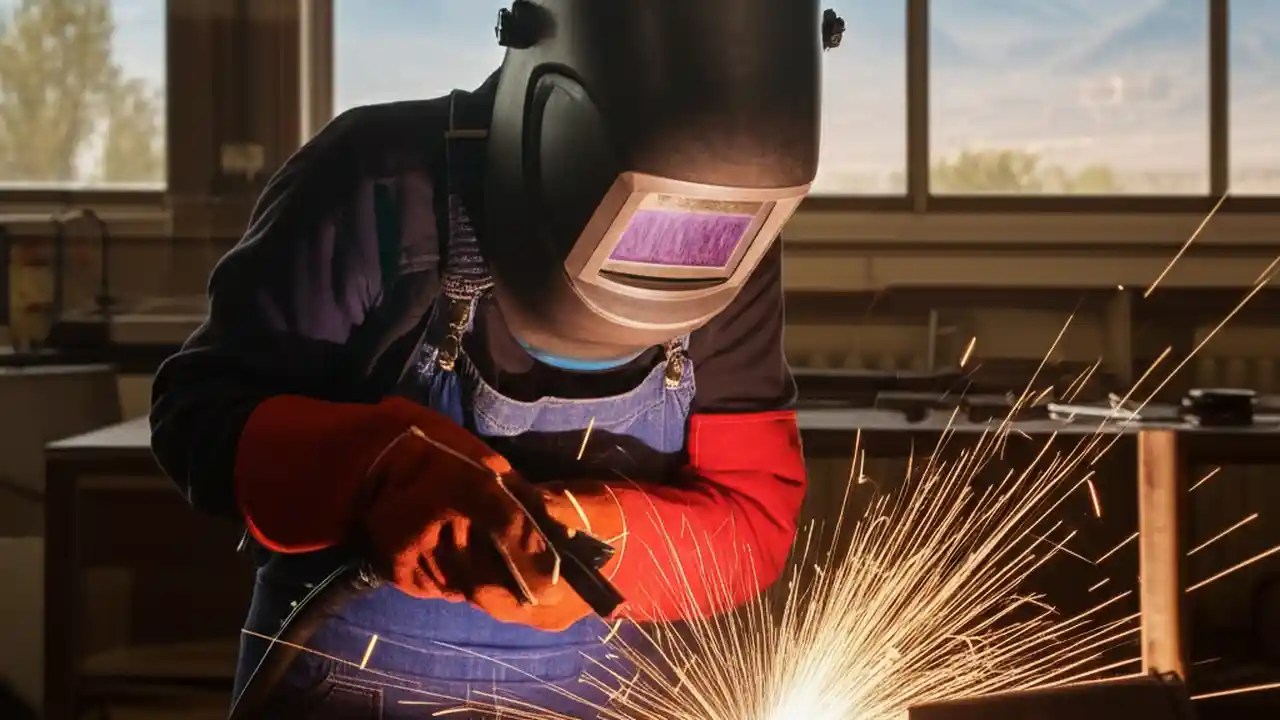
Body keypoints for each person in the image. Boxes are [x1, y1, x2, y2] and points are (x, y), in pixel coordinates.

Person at [150, 1, 826, 716]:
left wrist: (605, 534)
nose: (668, 252)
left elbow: (753, 520)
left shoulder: (732, 234)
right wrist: (374, 472)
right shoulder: (379, 179)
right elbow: (199, 418)